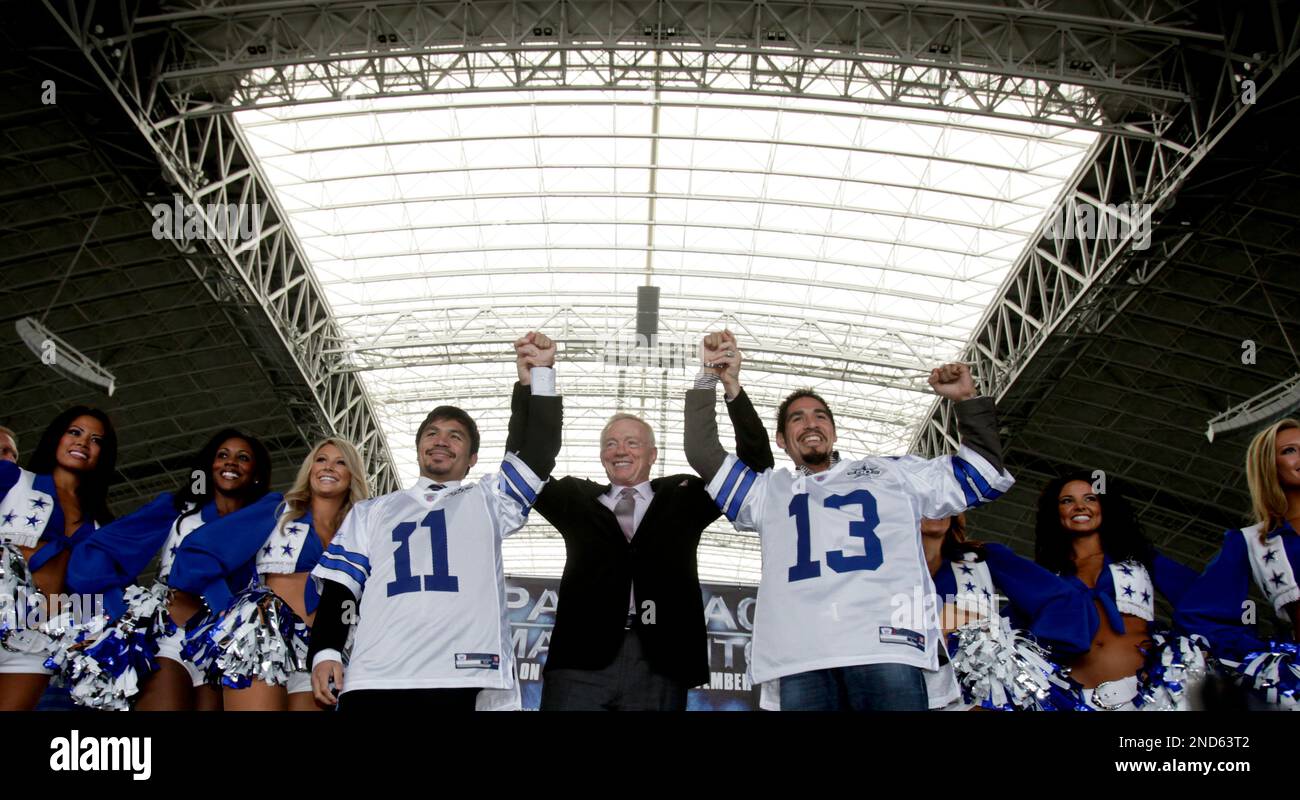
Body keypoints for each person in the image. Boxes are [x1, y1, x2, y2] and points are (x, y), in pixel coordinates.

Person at [685, 330, 1014, 711]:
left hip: (886, 646)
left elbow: (983, 473)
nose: (810, 423)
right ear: (781, 439)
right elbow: (702, 451)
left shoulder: (891, 473)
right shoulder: (767, 491)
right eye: (797, 418)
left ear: (833, 431)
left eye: (820, 416)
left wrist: (965, 401)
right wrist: (709, 375)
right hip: (802, 657)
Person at [505, 334, 773, 711]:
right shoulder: (575, 499)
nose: (620, 451)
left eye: (632, 443)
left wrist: (723, 385)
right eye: (611, 444)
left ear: (652, 454)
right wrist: (536, 380)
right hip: (580, 664)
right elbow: (522, 465)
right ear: (601, 456)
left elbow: (755, 470)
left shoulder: (686, 496)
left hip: (660, 664)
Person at [306, 332, 562, 711]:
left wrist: (537, 377)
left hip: (461, 676)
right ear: (419, 447)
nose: (441, 441)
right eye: (432, 433)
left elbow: (537, 451)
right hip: (376, 676)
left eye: (455, 436)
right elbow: (342, 589)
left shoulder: (492, 501)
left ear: (472, 457)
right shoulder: (370, 511)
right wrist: (325, 649)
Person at [62, 429, 272, 710]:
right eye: (222, 455)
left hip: (227, 653)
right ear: (209, 466)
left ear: (256, 473)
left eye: (243, 458)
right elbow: (96, 550)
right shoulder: (178, 509)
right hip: (170, 639)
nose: (231, 462)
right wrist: (118, 608)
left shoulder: (268, 520)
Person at [173, 438, 368, 710]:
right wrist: (225, 610)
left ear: (353, 474)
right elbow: (199, 550)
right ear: (310, 469)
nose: (328, 467)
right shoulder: (278, 510)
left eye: (340, 462)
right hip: (264, 643)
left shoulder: (364, 527)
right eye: (321, 460)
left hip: (321, 656)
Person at [1033, 472, 1202, 710]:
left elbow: (1203, 599)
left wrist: (1193, 648)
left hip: (1144, 696)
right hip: (1077, 702)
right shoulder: (1048, 578)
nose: (1080, 506)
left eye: (1090, 498)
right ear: (1055, 512)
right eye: (1067, 501)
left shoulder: (1140, 560)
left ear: (1105, 506)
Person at [1175, 418, 1300, 707]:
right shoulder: (1252, 541)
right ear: (1269, 466)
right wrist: (1262, 655)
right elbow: (1199, 613)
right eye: (1289, 451)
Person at [0, 406, 117, 710]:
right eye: (75, 432)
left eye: (96, 440)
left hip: (37, 640)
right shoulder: (14, 478)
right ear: (57, 437)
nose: (83, 443)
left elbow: (93, 591)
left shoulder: (101, 524)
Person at [920, 514, 1094, 710]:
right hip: (898, 690)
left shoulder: (980, 558)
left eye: (943, 501)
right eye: (925, 501)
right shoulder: (884, 569)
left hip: (971, 698)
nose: (936, 508)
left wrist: (1015, 653)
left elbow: (1061, 600)